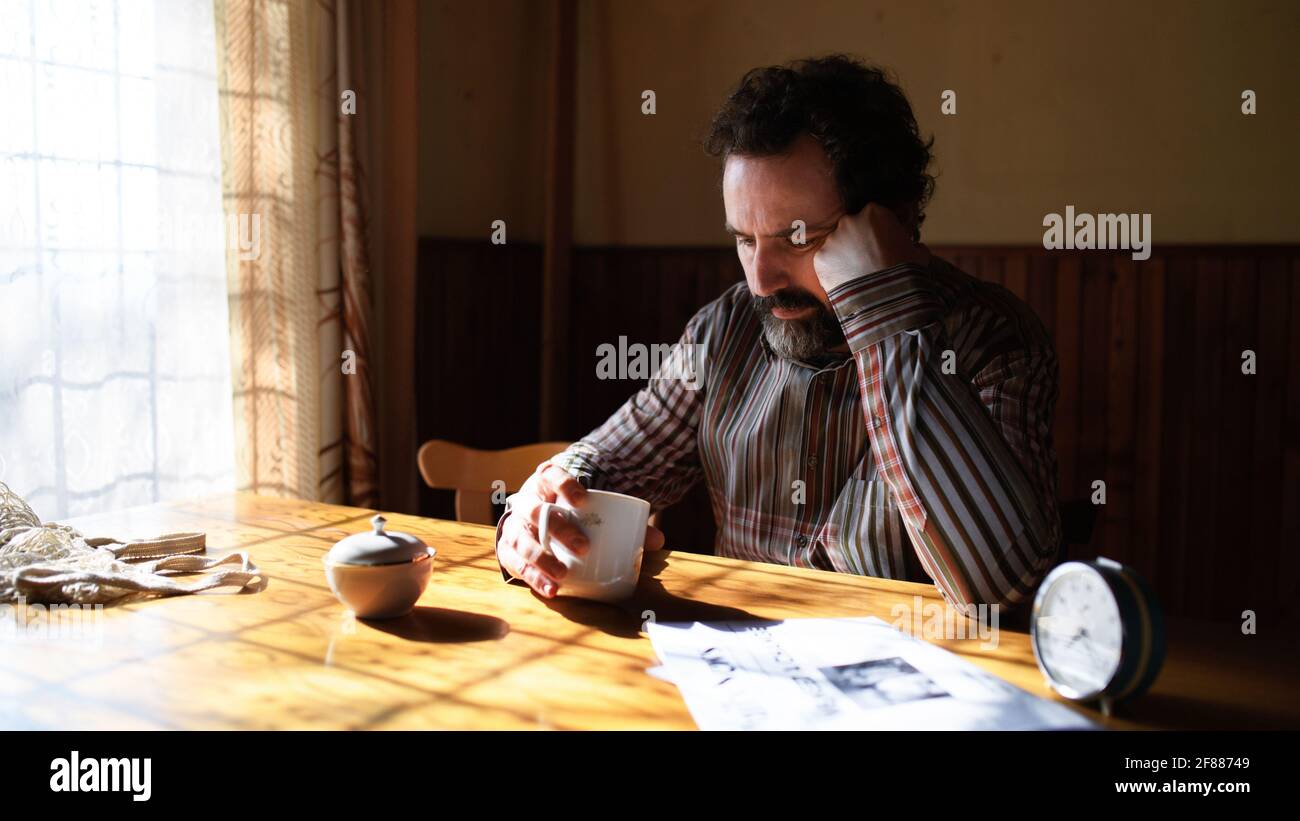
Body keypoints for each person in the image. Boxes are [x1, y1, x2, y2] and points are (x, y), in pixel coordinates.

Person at [496, 55, 1061, 614]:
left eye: (798, 238)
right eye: (745, 240)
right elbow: (611, 464)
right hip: (732, 676)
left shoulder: (994, 341)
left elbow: (1002, 587)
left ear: (895, 221)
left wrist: (885, 315)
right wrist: (541, 506)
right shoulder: (726, 329)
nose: (761, 281)